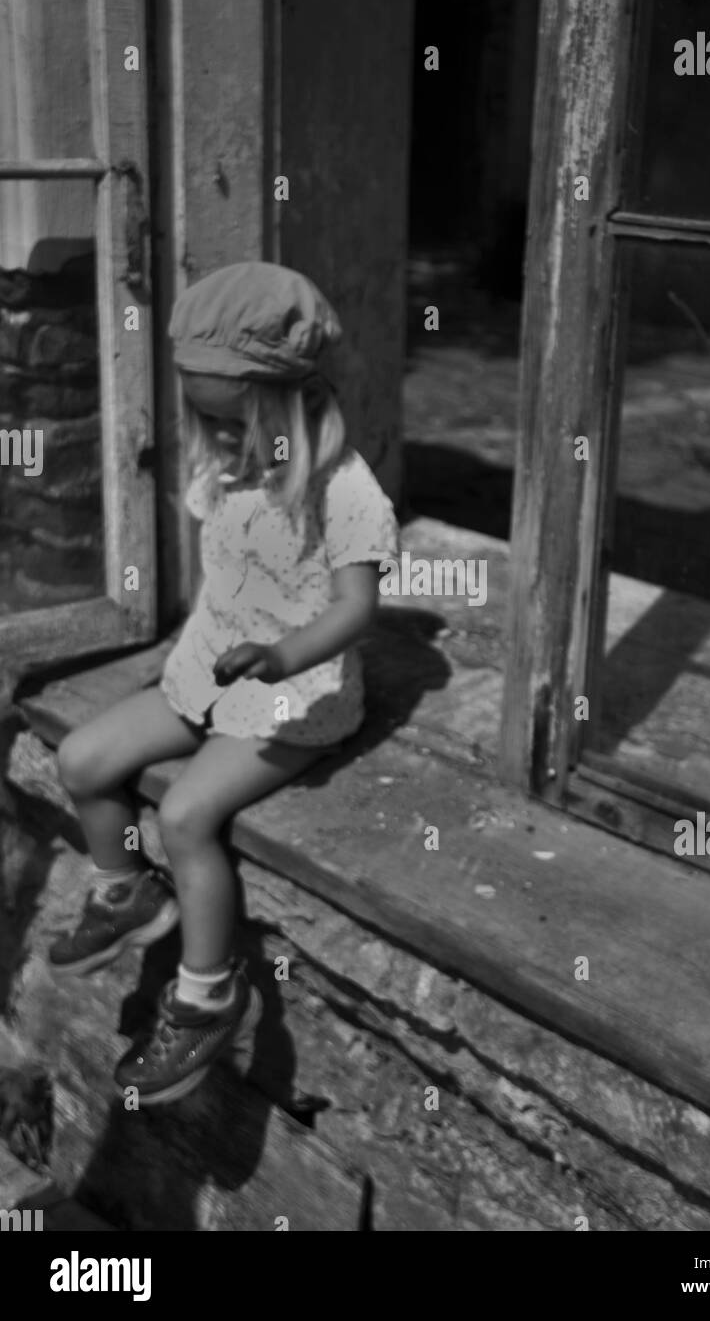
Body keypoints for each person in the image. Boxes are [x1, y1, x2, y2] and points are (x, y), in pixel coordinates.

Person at [49, 262, 399, 1106]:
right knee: (85, 758)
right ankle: (125, 894)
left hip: (293, 700)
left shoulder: (345, 492)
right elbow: (229, 581)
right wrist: (190, 651)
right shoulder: (230, 470)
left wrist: (283, 657)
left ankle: (207, 997)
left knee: (184, 814)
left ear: (282, 399)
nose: (223, 440)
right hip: (205, 675)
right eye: (209, 422)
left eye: (237, 421)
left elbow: (356, 610)